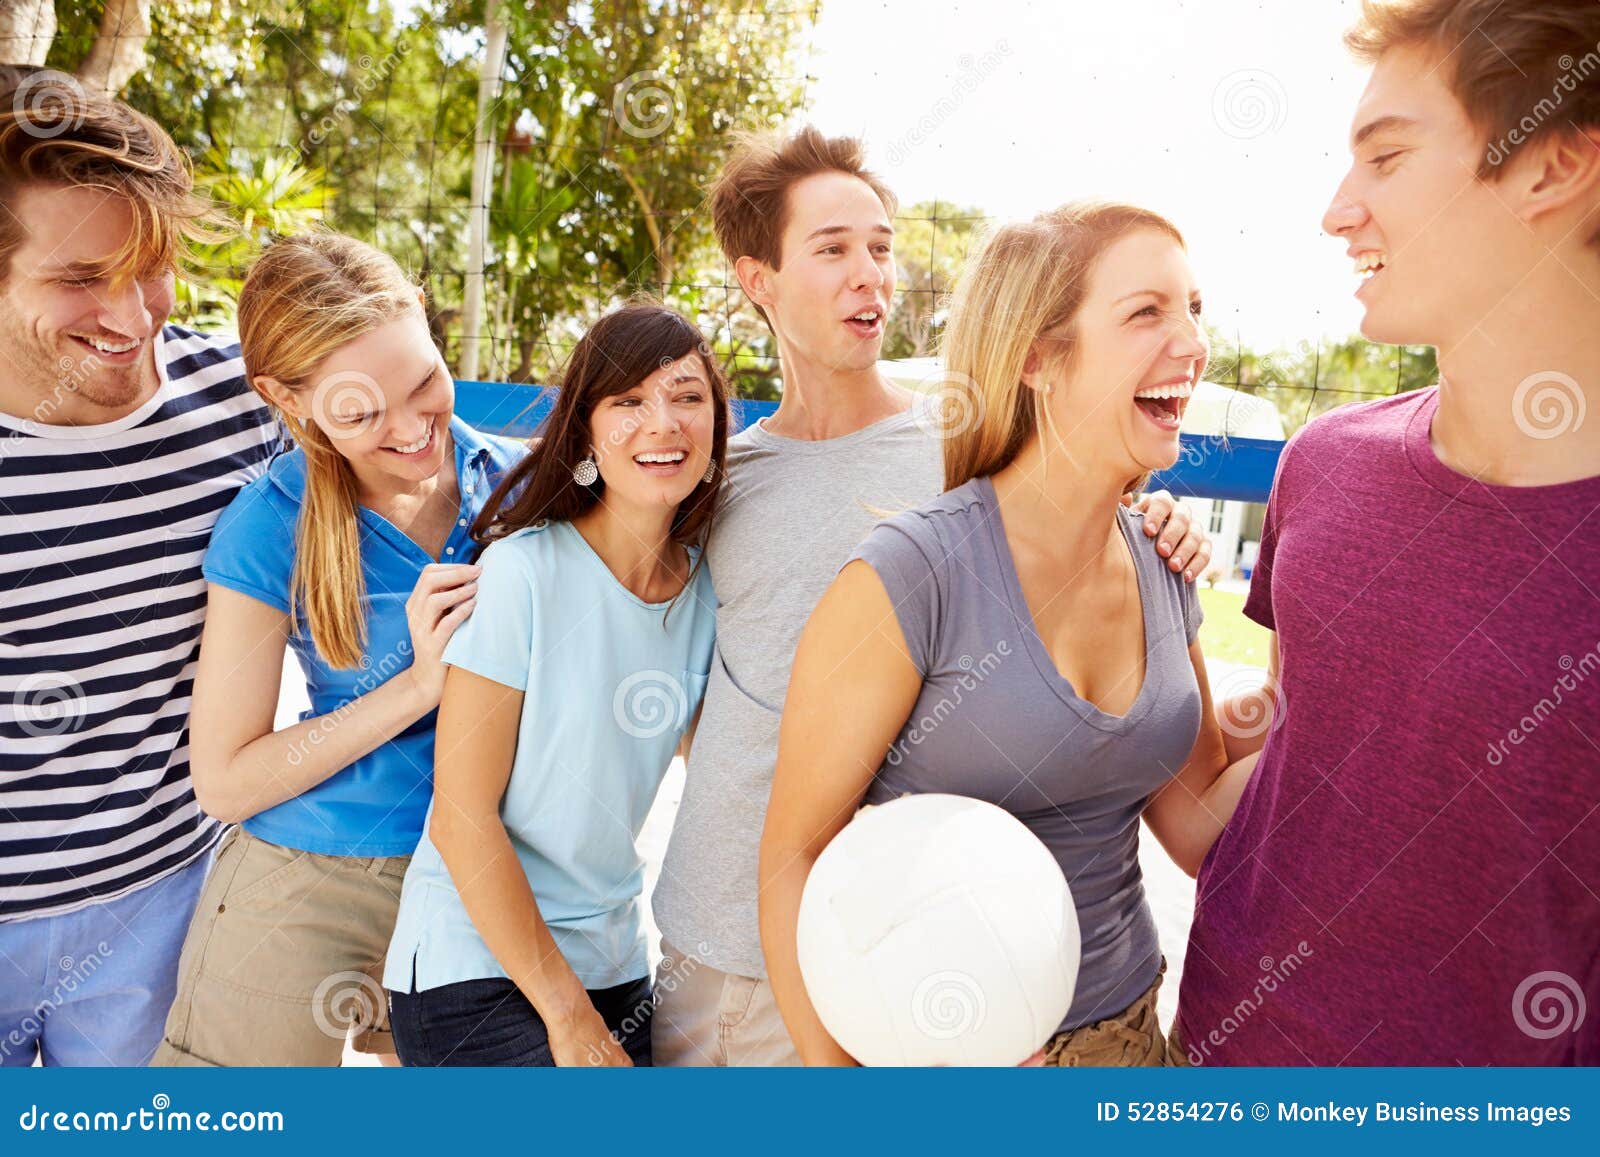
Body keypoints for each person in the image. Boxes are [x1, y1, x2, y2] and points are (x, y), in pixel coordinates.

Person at [649, 127, 1214, 1067]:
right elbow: (647, 648)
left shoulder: (958, 450)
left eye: (881, 245)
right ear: (759, 280)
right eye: (832, 249)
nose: (870, 272)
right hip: (767, 939)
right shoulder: (711, 477)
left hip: (980, 973)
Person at [1176, 0, 1600, 1066]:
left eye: (1389, 157)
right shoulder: (1322, 464)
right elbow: (1285, 774)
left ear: (1551, 165)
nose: (1336, 210)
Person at [761, 202, 1260, 1067]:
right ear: (1037, 357)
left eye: (1195, 310)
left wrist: (1332, 685)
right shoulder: (912, 574)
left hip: (1129, 1038)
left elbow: (1198, 824)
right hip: (940, 1059)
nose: (1191, 341)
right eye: (1147, 311)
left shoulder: (1161, 563)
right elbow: (789, 863)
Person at [151, 232, 522, 1066]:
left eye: (424, 379)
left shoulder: (521, 488)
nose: (411, 428)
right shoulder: (270, 522)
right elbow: (225, 777)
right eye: (360, 412)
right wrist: (417, 687)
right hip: (311, 871)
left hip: (484, 876)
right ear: (285, 397)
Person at [0, 66, 282, 1067]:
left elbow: (457, 481)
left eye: (150, 265)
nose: (131, 313)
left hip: (157, 916)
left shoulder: (245, 405)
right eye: (79, 278)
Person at [383, 302, 723, 1067]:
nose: (663, 422)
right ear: (588, 434)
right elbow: (461, 817)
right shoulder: (524, 571)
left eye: (687, 396)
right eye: (629, 402)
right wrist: (567, 1016)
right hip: (474, 964)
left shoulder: (709, 590)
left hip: (615, 960)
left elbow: (724, 771)